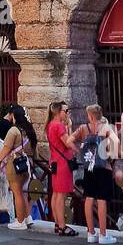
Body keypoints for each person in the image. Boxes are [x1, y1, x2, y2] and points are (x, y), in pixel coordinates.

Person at [74, 105, 119, 244]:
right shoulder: (105, 127)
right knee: (101, 200)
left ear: (91, 115)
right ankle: (103, 235)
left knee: (89, 198)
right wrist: (110, 156)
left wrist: (79, 152)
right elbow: (116, 141)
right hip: (103, 167)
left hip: (89, 166)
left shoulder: (84, 128)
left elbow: (70, 140)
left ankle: (91, 232)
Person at [0, 104, 38, 230]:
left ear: (14, 115)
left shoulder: (14, 130)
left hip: (15, 164)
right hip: (26, 164)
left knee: (17, 193)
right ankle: (27, 217)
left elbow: (6, 148)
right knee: (24, 193)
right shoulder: (28, 129)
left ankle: (19, 221)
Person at [46, 100, 78, 237]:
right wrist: (70, 128)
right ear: (58, 112)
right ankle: (62, 226)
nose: (67, 113)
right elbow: (68, 143)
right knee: (61, 195)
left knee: (56, 194)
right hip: (62, 163)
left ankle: (58, 224)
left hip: (55, 161)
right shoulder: (59, 126)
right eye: (66, 111)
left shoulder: (50, 125)